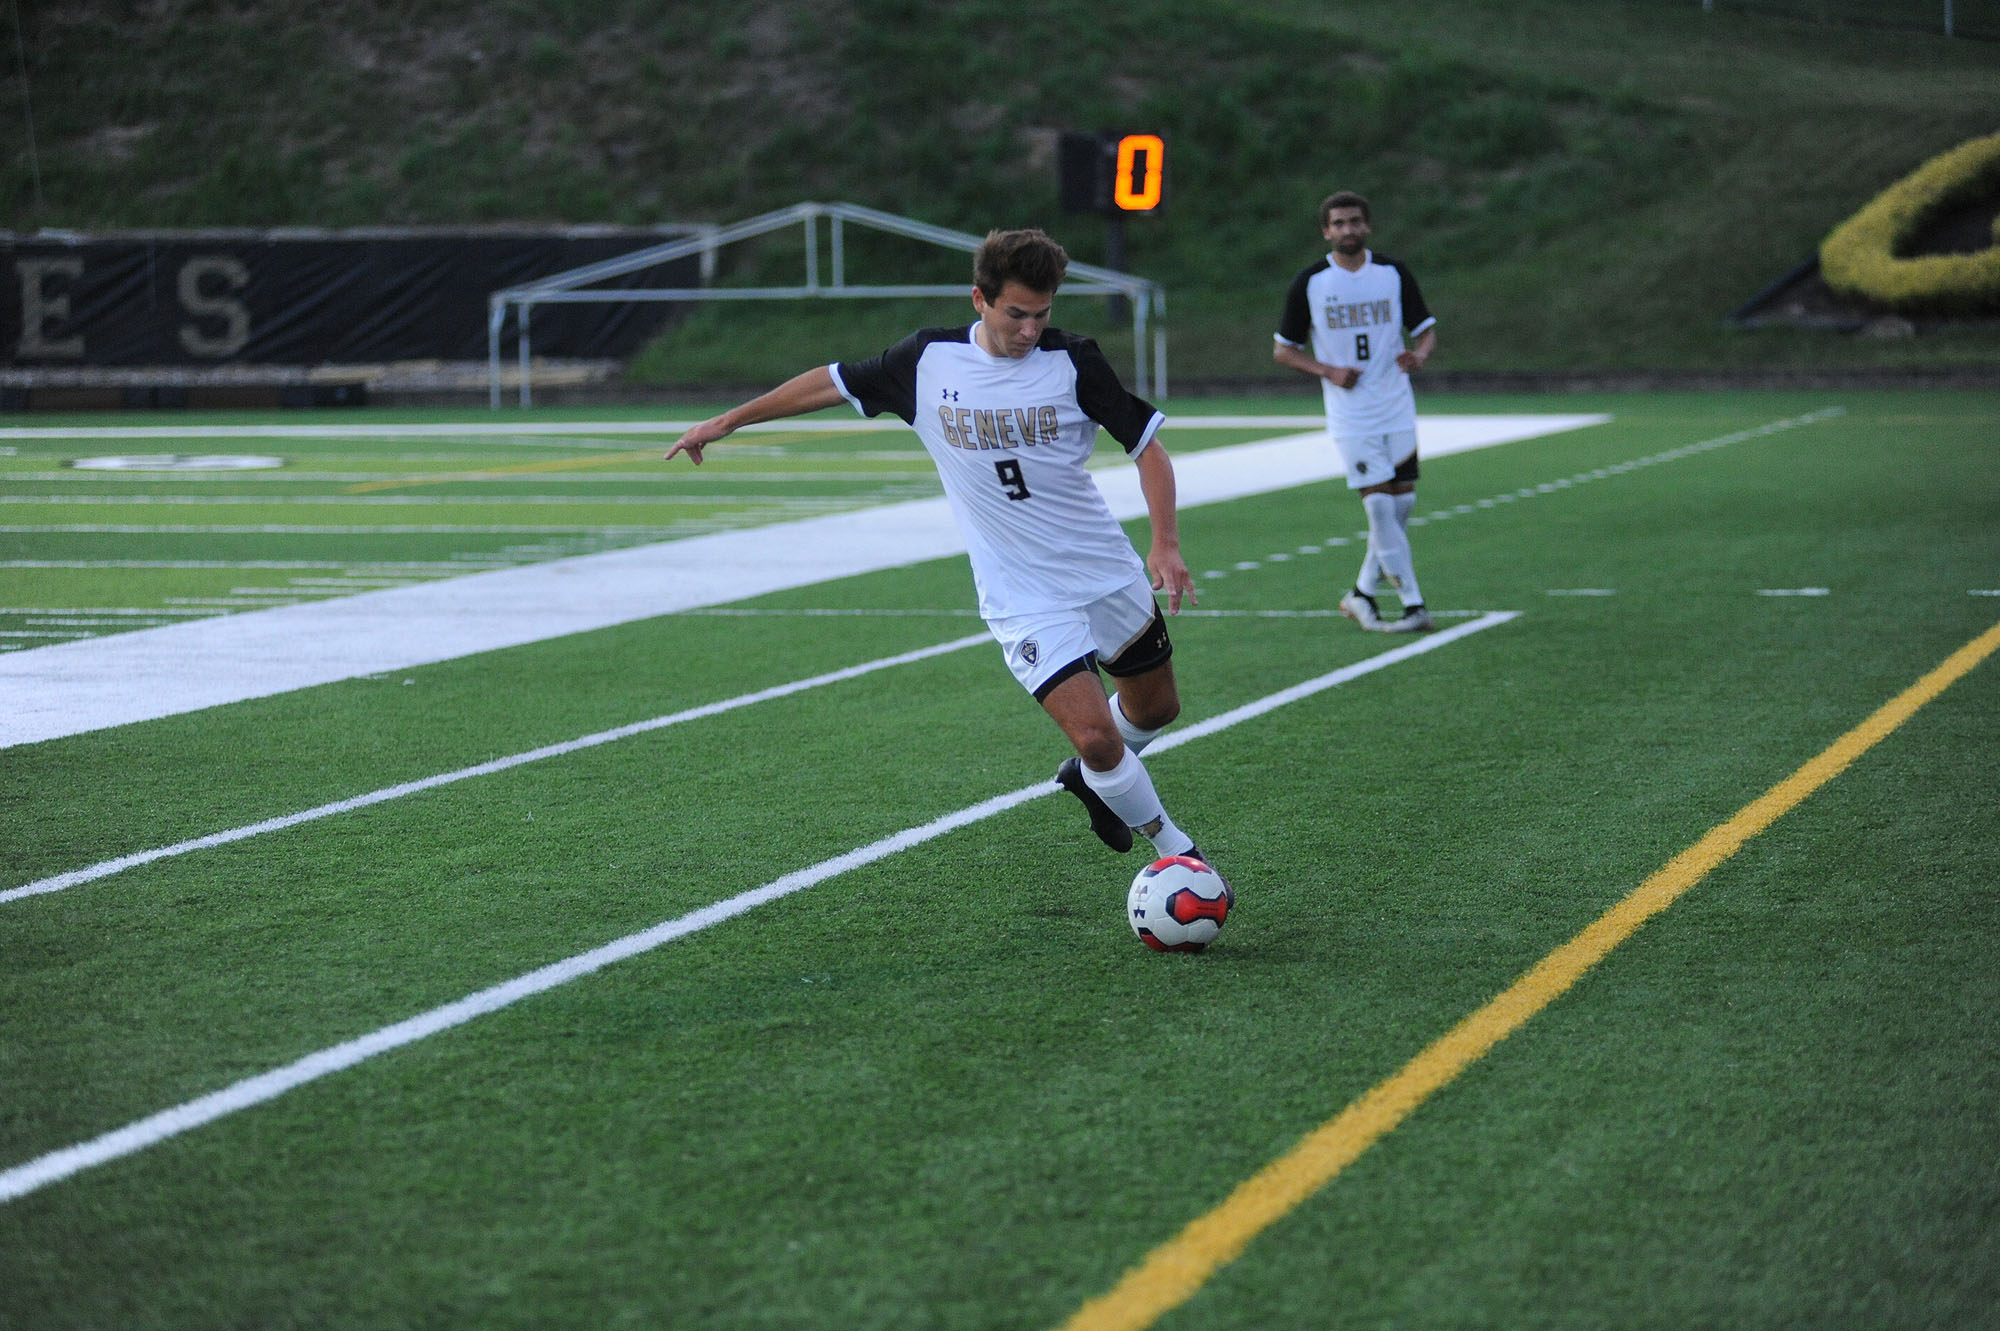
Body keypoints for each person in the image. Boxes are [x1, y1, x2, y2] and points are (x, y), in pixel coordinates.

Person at [665, 228, 1210, 867]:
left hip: (1105, 571)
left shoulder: (1075, 362)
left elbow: (1147, 447)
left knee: (1156, 708)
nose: (1031, 329)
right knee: (1096, 737)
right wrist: (725, 421)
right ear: (978, 299)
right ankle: (1180, 856)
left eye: (1043, 314)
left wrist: (1165, 544)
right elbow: (830, 382)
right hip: (1021, 593)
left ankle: (1092, 784)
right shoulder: (926, 361)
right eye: (1016, 314)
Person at [1273, 190, 1439, 633]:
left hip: (1397, 406)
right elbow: (1283, 350)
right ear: (1326, 231)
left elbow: (1425, 331)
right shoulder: (1311, 282)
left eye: (1355, 221)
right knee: (1381, 508)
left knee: (1401, 505)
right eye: (1339, 223)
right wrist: (1327, 369)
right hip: (1353, 415)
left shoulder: (1392, 272)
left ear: (1367, 225)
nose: (1348, 230)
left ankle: (1362, 594)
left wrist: (1419, 355)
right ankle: (1413, 604)